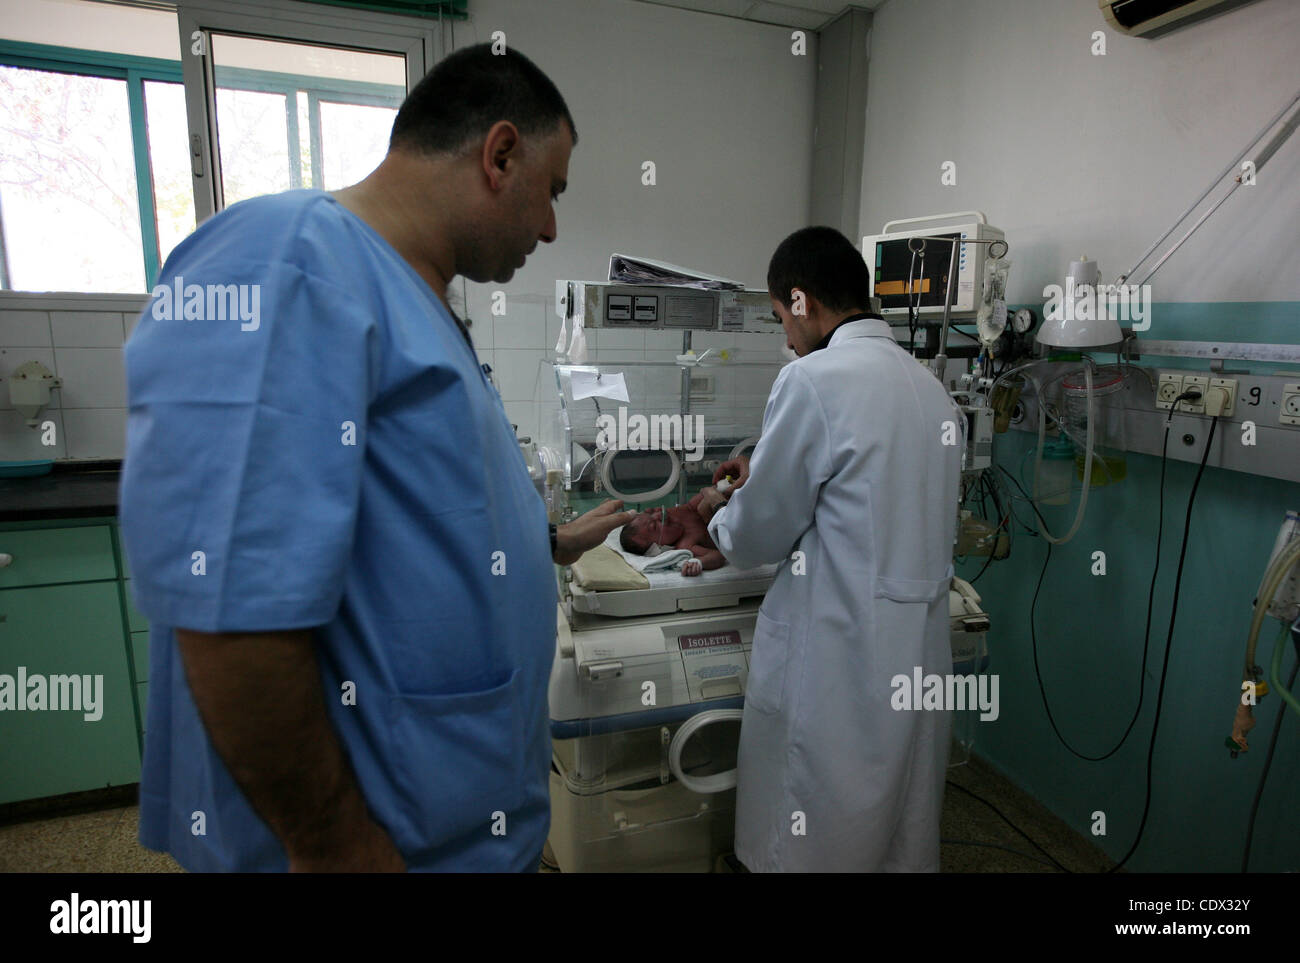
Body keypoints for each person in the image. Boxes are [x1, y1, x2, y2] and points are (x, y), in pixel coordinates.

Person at [119, 45, 632, 872]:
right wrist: (334, 844)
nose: (551, 227)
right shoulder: (287, 261)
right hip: (368, 846)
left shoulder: (418, 299)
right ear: (500, 155)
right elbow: (230, 610)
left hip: (458, 833)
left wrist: (547, 547)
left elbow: (412, 519)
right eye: (554, 190)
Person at [697, 226, 962, 872]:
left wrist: (721, 518)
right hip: (916, 655)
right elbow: (862, 493)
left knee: (812, 836)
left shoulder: (812, 380)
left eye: (780, 316)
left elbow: (762, 529)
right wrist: (763, 468)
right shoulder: (934, 394)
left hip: (837, 662)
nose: (785, 334)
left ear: (803, 301)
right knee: (897, 829)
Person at [618, 491, 728, 576]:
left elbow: (691, 505)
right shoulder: (685, 545)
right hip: (731, 528)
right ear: (659, 548)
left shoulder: (675, 513)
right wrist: (699, 562)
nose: (658, 515)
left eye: (651, 513)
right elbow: (718, 556)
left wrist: (711, 492)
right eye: (654, 526)